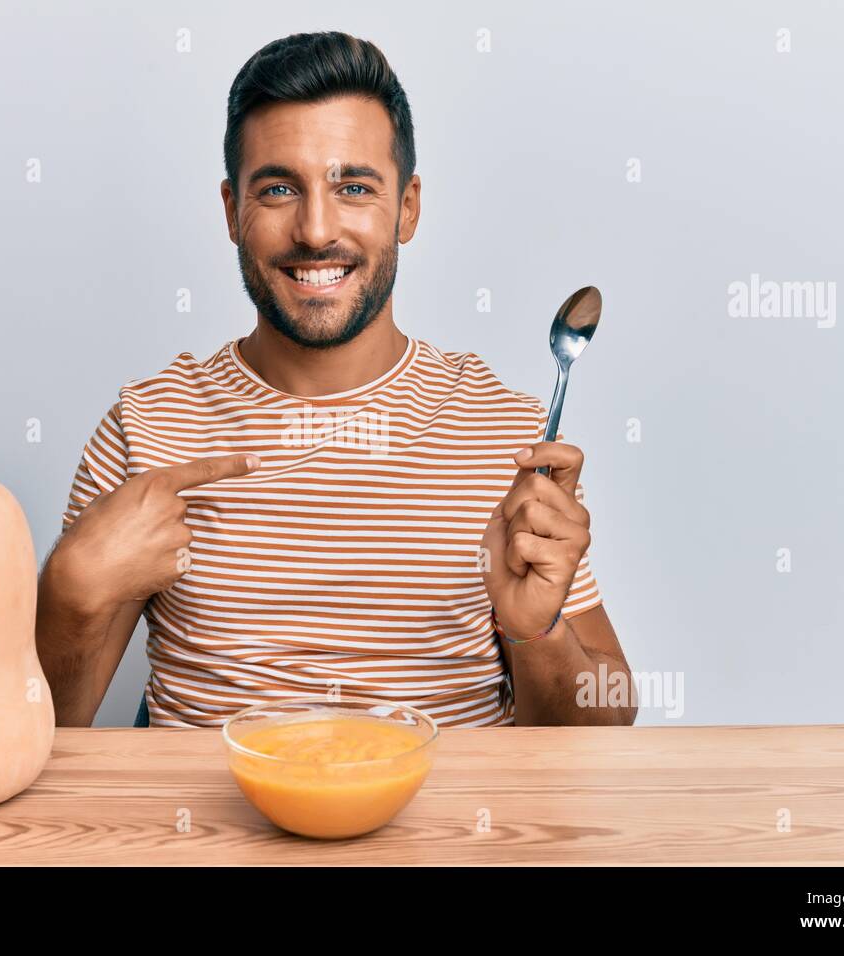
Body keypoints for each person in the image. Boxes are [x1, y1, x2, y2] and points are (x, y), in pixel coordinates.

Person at [35, 31, 633, 728]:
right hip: (210, 834)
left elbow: (610, 718)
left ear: (407, 208)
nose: (316, 230)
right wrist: (70, 597)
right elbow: (29, 741)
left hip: (453, 835)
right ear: (232, 211)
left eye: (353, 187)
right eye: (280, 188)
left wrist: (537, 630)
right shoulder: (148, 426)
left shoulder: (508, 437)